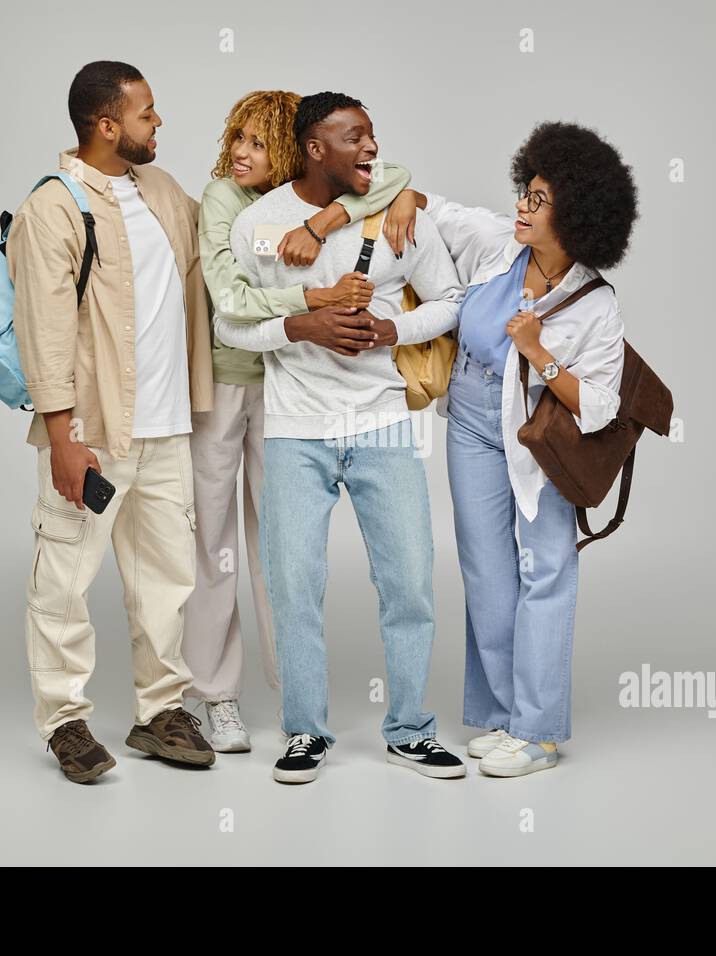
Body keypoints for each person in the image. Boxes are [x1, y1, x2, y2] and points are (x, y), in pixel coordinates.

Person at [213, 92, 465, 784]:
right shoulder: (261, 224)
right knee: (294, 588)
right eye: (353, 137)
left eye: (372, 135)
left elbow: (449, 300)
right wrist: (302, 325)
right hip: (295, 430)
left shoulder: (394, 215)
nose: (370, 148)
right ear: (313, 149)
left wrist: (391, 331)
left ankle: (410, 729)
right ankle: (305, 732)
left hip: (384, 423)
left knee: (410, 581)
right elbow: (229, 325)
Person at [391, 121, 638, 777]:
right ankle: (504, 716)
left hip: (536, 438)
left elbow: (604, 406)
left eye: (538, 199)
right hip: (469, 418)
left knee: (547, 570)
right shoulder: (498, 244)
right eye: (523, 193)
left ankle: (538, 732)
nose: (521, 208)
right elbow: (423, 203)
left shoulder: (594, 304)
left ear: (576, 216)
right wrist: (400, 203)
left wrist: (540, 355)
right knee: (485, 571)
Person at [186, 90, 414, 752]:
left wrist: (369, 205)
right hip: (227, 385)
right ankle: (217, 695)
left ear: (291, 150)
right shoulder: (227, 201)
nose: (239, 153)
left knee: (280, 555)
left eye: (256, 143)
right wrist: (310, 303)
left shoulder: (304, 197)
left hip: (289, 395)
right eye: (236, 138)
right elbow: (230, 299)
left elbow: (392, 175)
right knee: (214, 545)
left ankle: (298, 702)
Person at [7, 60, 216, 783]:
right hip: (91, 435)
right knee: (64, 582)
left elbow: (227, 233)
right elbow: (45, 333)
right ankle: (65, 722)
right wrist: (64, 440)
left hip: (167, 430)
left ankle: (160, 711)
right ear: (107, 125)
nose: (158, 123)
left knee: (166, 580)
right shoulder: (54, 208)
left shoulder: (163, 191)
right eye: (146, 112)